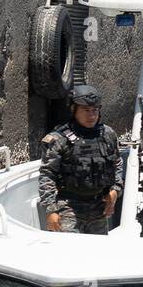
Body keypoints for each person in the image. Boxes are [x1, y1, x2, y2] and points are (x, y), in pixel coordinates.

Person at [40, 85, 122, 234]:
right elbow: (47, 175)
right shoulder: (60, 139)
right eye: (86, 110)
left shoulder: (108, 135)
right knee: (70, 252)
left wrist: (115, 191)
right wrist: (51, 210)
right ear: (73, 110)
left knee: (98, 252)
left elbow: (117, 164)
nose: (92, 116)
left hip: (99, 206)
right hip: (68, 206)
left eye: (95, 110)